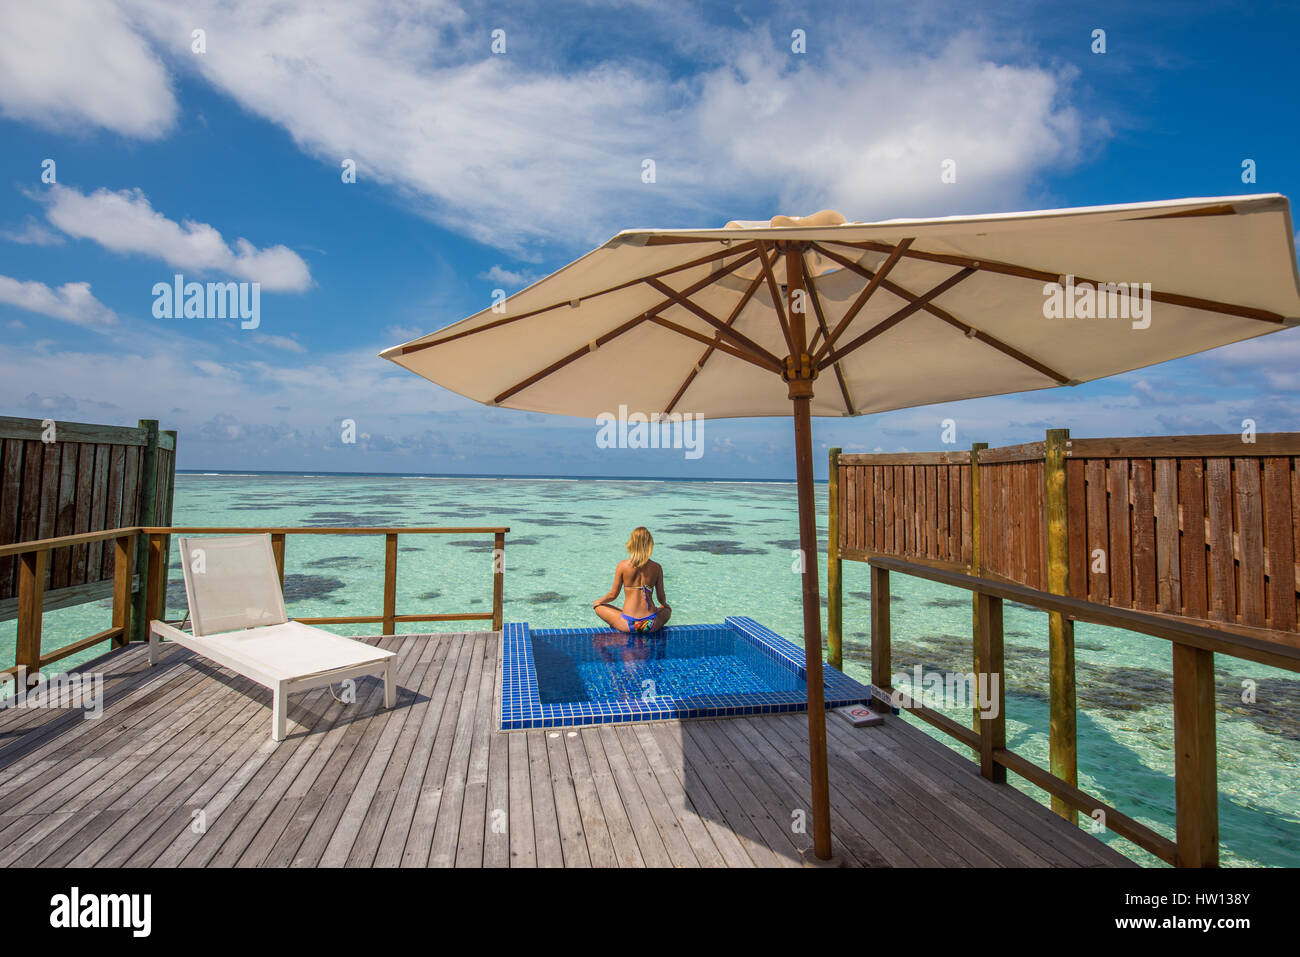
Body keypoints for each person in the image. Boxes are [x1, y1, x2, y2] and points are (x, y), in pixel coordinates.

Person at [592, 526, 672, 633]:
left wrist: (598, 601)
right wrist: (664, 605)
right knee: (667, 610)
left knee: (599, 607)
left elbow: (613, 595)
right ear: (649, 545)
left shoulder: (622, 566)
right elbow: (661, 598)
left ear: (632, 544)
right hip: (651, 623)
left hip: (628, 624)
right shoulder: (657, 567)